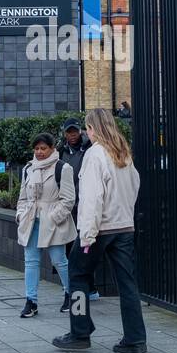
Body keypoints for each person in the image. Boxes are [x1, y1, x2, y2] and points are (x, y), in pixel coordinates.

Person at [52, 108, 146, 353]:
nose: (86, 133)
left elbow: (92, 198)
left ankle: (79, 333)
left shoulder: (95, 154)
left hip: (99, 229)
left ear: (93, 129)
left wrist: (87, 234)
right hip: (124, 227)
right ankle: (136, 339)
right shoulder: (123, 153)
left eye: (87, 128)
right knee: (127, 284)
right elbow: (135, 186)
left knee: (77, 276)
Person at [15, 132, 76, 317]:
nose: (40, 152)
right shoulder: (28, 169)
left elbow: (68, 199)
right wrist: (20, 214)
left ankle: (70, 294)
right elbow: (23, 197)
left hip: (53, 222)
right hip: (31, 221)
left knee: (59, 260)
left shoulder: (62, 168)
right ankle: (30, 301)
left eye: (43, 148)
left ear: (52, 148)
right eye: (37, 148)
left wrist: (54, 218)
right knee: (31, 262)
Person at [58, 119, 99, 301]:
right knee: (70, 250)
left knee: (85, 249)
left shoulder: (90, 149)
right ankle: (75, 290)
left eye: (75, 131)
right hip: (68, 206)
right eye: (69, 132)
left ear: (81, 131)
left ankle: (87, 290)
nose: (72, 135)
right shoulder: (61, 151)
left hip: (85, 205)